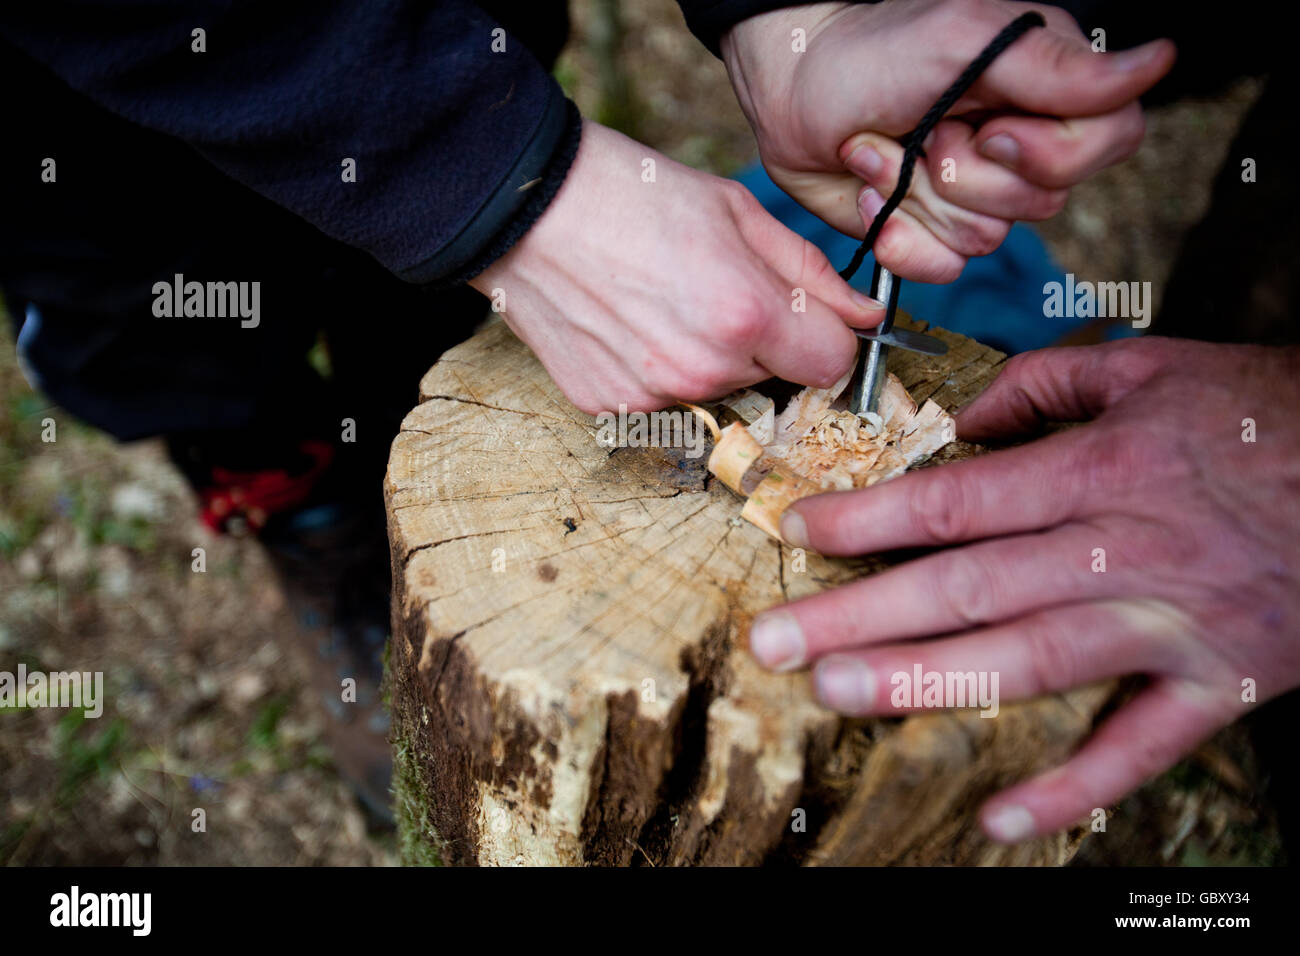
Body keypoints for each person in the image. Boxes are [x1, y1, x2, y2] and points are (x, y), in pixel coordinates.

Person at [1, 0, 1228, 841]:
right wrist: (504, 186)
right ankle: (302, 511)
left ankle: (393, 430)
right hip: (80, 118)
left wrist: (786, 19)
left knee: (413, 306)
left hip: (454, 29)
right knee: (169, 340)